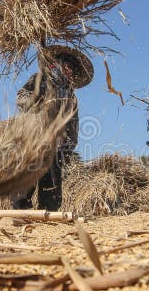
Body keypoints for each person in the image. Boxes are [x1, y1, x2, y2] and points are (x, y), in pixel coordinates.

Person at [11, 45, 94, 211]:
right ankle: (20, 211)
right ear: (56, 65)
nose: (69, 71)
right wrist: (37, 102)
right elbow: (21, 98)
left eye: (72, 69)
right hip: (33, 138)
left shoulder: (70, 96)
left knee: (52, 183)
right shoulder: (40, 80)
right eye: (67, 66)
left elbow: (73, 124)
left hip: (56, 145)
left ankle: (49, 213)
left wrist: (68, 148)